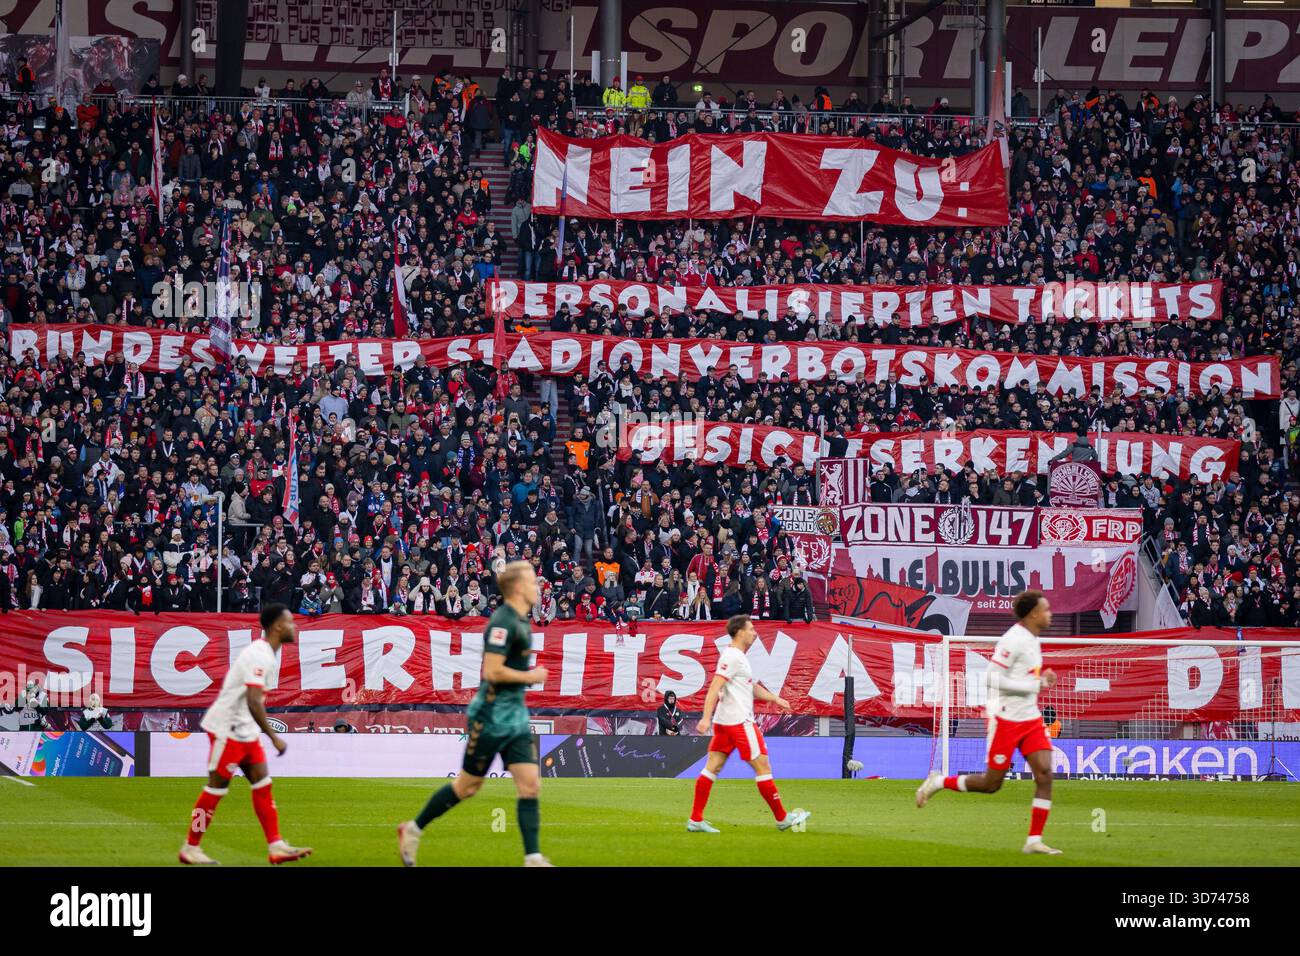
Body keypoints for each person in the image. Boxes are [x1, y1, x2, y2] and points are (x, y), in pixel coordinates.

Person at [397, 560, 553, 867]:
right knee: (468, 786)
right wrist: (531, 676)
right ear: (519, 588)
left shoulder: (522, 621)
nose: (538, 587)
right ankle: (413, 829)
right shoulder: (502, 622)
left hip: (516, 716)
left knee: (530, 783)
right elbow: (493, 671)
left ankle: (532, 857)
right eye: (533, 582)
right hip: (491, 716)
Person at [914, 589, 1061, 855]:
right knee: (992, 784)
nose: (1050, 614)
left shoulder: (1033, 639)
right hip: (1005, 718)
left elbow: (1029, 678)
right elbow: (992, 678)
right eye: (1047, 609)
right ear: (1034, 614)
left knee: (1045, 774)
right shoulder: (1013, 640)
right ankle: (938, 783)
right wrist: (1032, 685)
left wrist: (1041, 681)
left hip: (1030, 717)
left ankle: (1033, 841)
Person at [179, 603, 313, 866]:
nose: (294, 626)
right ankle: (190, 848)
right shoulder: (259, 654)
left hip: (245, 730)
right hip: (227, 728)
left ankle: (276, 845)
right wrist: (274, 736)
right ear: (277, 626)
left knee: (262, 783)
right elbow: (253, 700)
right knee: (216, 788)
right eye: (290, 621)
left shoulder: (269, 654)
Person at [687, 614, 811, 833]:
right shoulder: (733, 656)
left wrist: (774, 698)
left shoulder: (737, 657)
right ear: (739, 631)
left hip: (725, 722)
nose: (755, 633)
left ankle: (696, 819)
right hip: (739, 721)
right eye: (751, 629)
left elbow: (749, 687)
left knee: (712, 767)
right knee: (763, 766)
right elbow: (715, 686)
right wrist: (705, 717)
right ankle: (782, 818)